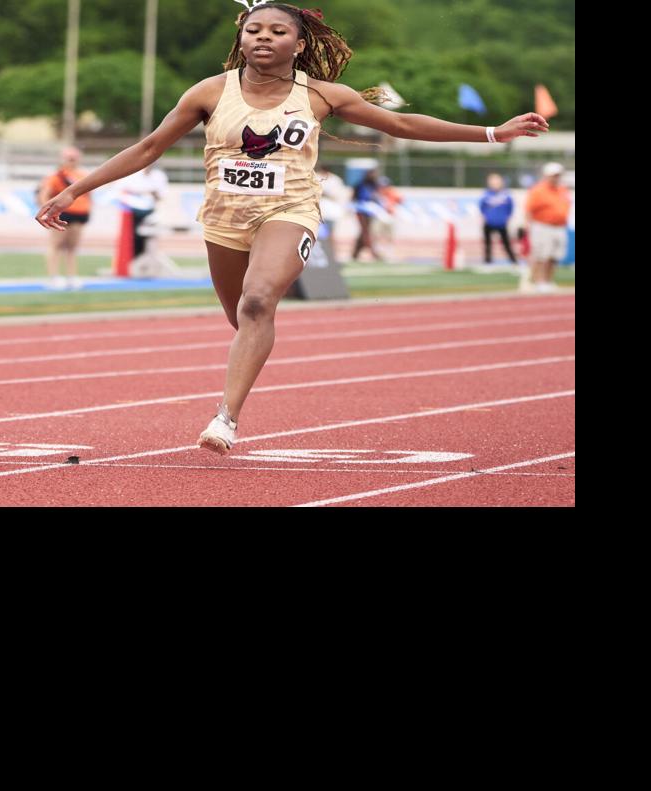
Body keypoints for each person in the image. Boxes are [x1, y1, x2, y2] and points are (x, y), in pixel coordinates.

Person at [36, 2, 546, 454]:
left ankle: (224, 419)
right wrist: (76, 188)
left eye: (277, 31)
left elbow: (403, 125)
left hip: (290, 210)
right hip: (224, 218)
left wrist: (491, 133)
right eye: (254, 29)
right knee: (242, 318)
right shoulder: (210, 92)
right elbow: (148, 148)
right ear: (240, 38)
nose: (263, 37)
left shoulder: (323, 95)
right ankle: (252, 355)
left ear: (299, 44)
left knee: (258, 302)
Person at [40, 147, 91, 290]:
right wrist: (46, 210)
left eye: (74, 159)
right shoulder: (56, 176)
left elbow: (88, 194)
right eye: (69, 159)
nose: (72, 162)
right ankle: (54, 276)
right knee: (56, 245)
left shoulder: (82, 175)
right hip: (61, 213)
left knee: (72, 247)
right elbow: (45, 193)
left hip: (79, 213)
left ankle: (71, 276)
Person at [524, 162, 571, 292]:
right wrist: (528, 228)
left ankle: (548, 281)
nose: (556, 178)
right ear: (546, 176)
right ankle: (538, 281)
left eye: (558, 175)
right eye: (553, 175)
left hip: (560, 227)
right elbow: (528, 210)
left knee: (555, 256)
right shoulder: (538, 190)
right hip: (543, 226)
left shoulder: (563, 190)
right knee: (541, 255)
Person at [116, 164, 169, 259]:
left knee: (148, 236)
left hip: (149, 211)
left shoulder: (159, 176)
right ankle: (133, 259)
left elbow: (161, 196)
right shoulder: (133, 174)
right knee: (133, 237)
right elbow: (121, 189)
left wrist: (152, 193)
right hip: (132, 210)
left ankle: (144, 259)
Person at [479, 172, 516, 265]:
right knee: (488, 244)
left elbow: (510, 208)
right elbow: (482, 208)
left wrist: (507, 218)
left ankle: (513, 261)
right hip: (489, 223)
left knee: (506, 243)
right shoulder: (486, 195)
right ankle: (487, 261)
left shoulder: (506, 195)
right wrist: (484, 218)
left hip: (502, 223)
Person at [315, 163, 348, 256]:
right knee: (317, 234)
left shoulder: (335, 180)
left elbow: (337, 195)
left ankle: (330, 254)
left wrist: (324, 192)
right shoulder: (315, 177)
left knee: (329, 234)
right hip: (317, 211)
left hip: (330, 212)